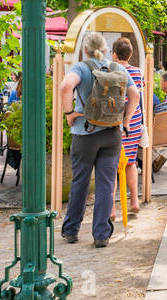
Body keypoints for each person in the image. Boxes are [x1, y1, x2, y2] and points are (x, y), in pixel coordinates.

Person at [59, 31, 138, 248]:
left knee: (81, 182)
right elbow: (135, 95)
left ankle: (71, 230)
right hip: (112, 133)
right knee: (106, 183)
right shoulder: (118, 68)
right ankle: (101, 234)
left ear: (85, 49)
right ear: (105, 49)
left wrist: (68, 113)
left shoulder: (82, 68)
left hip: (85, 133)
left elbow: (66, 86)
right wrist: (127, 120)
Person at [111, 37, 144, 219]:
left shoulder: (112, 70)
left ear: (114, 54)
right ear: (130, 55)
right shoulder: (137, 72)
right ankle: (134, 201)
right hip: (134, 120)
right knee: (130, 162)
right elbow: (140, 93)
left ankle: (112, 209)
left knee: (112, 165)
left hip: (116, 120)